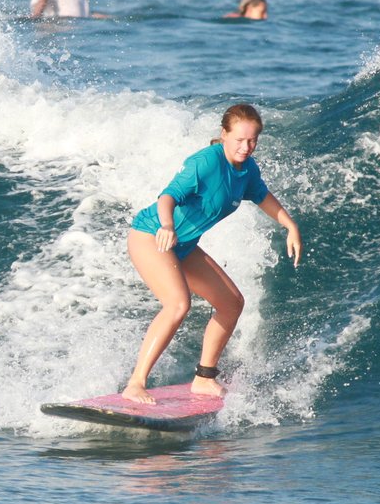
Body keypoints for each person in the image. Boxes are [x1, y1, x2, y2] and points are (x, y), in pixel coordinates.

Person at [123, 104, 303, 405]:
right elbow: (168, 196)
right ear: (224, 134)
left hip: (183, 245)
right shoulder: (206, 162)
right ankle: (136, 383)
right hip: (151, 235)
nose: (246, 147)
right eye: (239, 140)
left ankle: (204, 378)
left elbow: (262, 196)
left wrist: (290, 225)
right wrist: (167, 225)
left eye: (252, 140)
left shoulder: (246, 169)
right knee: (178, 304)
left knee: (231, 303)